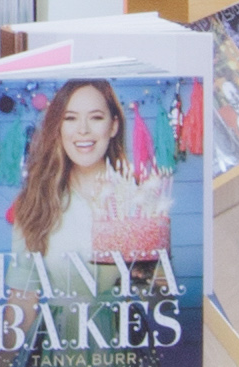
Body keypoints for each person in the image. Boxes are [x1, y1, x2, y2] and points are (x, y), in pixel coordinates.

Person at [11, 76, 175, 271]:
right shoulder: (34, 202)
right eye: (70, 118)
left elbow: (162, 290)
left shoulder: (141, 201)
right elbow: (23, 295)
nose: (83, 130)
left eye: (96, 117)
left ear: (113, 126)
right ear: (59, 127)